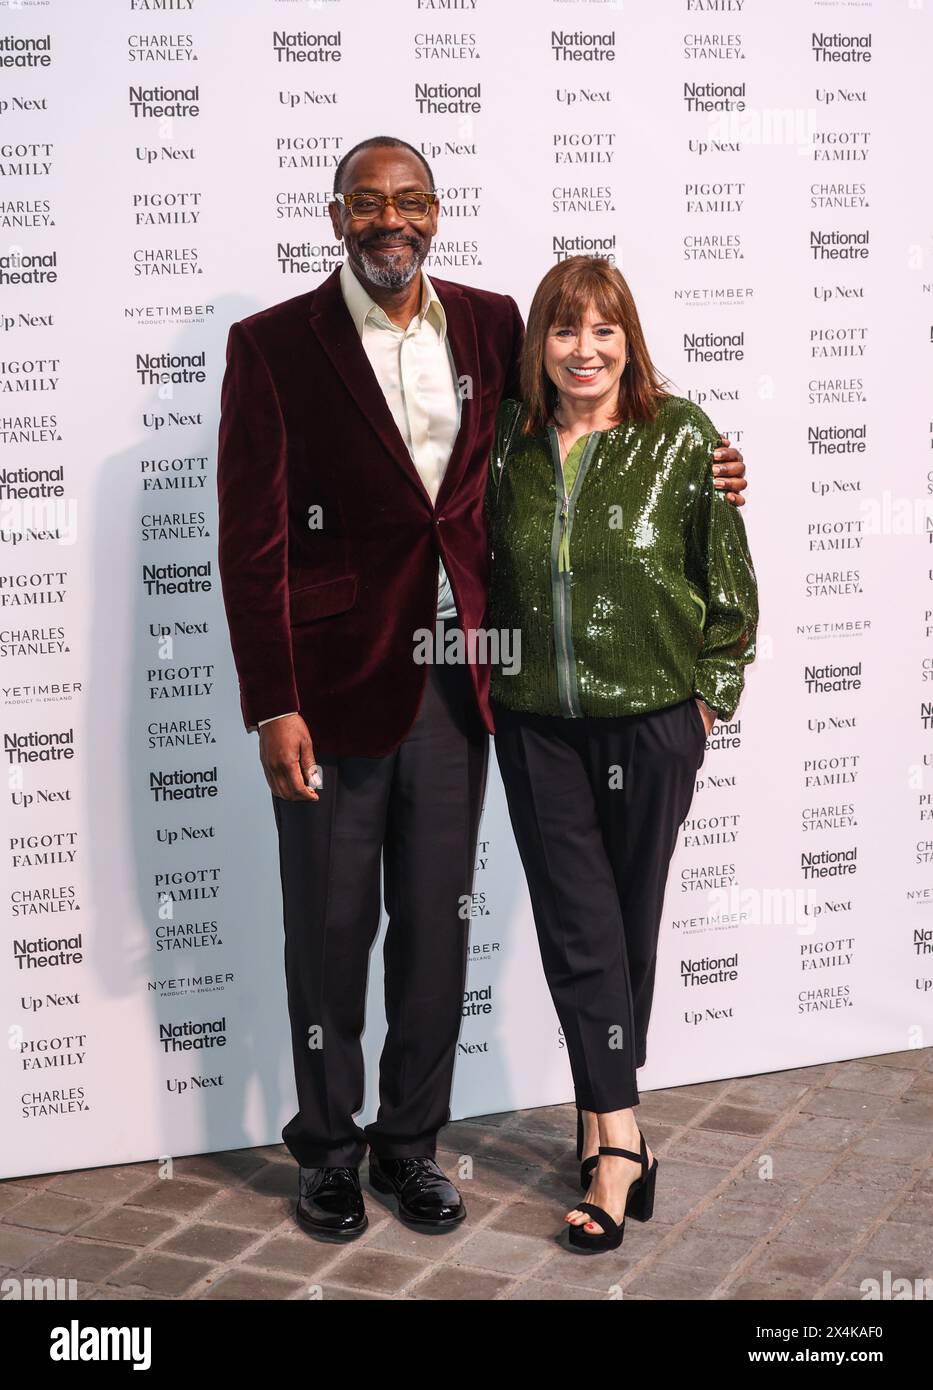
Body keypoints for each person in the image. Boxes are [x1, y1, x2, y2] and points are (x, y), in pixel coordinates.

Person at [216, 136, 749, 1243]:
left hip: (462, 686)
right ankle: (327, 1148)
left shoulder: (493, 319)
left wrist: (710, 462)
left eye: (410, 201)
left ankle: (410, 1144)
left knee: (435, 930)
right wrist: (274, 701)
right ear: (336, 218)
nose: (390, 221)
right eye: (368, 204)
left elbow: (585, 415)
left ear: (438, 210)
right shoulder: (271, 347)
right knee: (327, 927)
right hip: (332, 691)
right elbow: (250, 540)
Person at [485, 255, 758, 1254]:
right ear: (539, 347)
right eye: (564, 330)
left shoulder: (682, 440)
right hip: (536, 723)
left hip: (651, 722)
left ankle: (602, 1116)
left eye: (604, 330)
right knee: (581, 926)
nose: (585, 350)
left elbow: (728, 585)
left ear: (629, 340)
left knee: (627, 927)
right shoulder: (507, 443)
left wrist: (707, 704)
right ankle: (620, 1144)